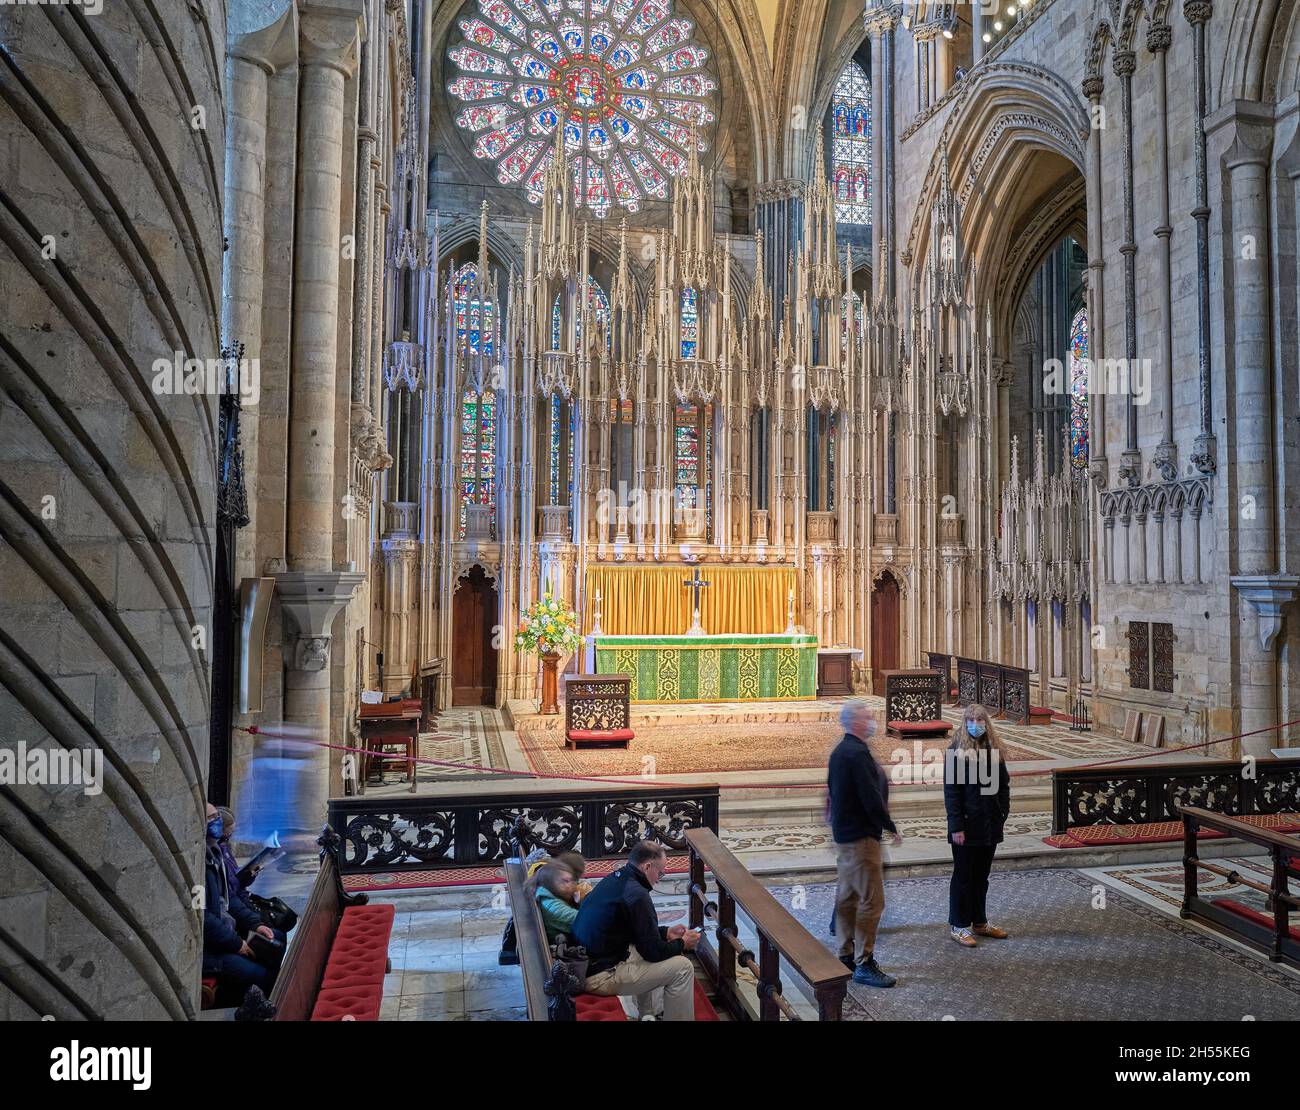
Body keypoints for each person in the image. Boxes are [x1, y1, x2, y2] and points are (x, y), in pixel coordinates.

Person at [572, 840, 700, 1021]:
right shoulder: (637, 895)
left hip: (586, 961)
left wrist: (666, 933)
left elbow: (635, 931)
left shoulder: (617, 877)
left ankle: (647, 1015)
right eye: (660, 872)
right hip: (599, 976)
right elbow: (653, 952)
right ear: (648, 866)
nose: (658, 878)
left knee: (651, 949)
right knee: (683, 968)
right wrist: (682, 944)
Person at [826, 700, 901, 988]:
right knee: (872, 901)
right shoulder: (856, 753)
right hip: (860, 838)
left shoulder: (841, 751)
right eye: (869, 717)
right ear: (856, 722)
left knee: (847, 899)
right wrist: (889, 825)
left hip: (844, 835)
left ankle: (845, 954)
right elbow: (870, 796)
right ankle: (864, 963)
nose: (873, 722)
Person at [944, 704, 1012, 947]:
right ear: (965, 723)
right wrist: (956, 827)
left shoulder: (994, 749)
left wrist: (1002, 813)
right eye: (971, 720)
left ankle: (980, 922)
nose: (976, 724)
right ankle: (959, 925)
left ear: (986, 723)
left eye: (980, 719)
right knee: (963, 876)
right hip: (965, 826)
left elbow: (1003, 786)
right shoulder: (956, 752)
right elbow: (951, 793)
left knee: (982, 876)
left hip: (989, 824)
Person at [201, 803, 278, 1000]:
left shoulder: (216, 853)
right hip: (209, 951)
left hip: (227, 933)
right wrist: (237, 944)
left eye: (217, 816)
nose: (216, 821)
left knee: (274, 943)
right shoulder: (198, 864)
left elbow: (231, 899)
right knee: (262, 976)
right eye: (210, 818)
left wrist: (255, 923)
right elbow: (204, 918)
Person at [530, 860, 580, 942]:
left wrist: (575, 902)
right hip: (573, 940)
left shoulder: (546, 893)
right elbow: (584, 919)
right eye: (565, 881)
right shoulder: (552, 906)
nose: (573, 884)